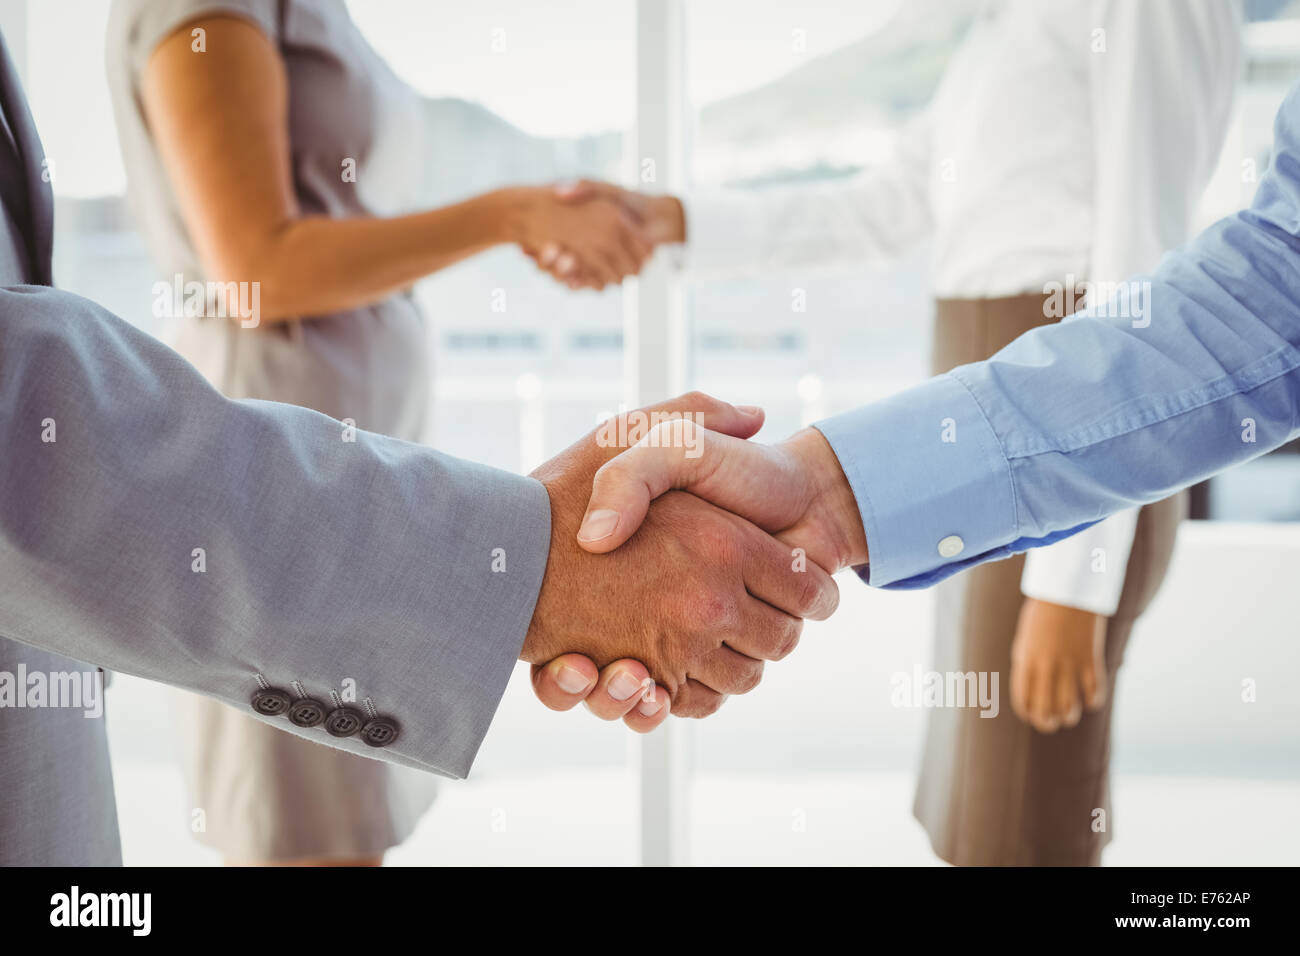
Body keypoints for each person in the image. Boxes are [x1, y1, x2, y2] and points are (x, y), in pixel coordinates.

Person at [0, 29, 836, 865]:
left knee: (343, 829)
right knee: (311, 834)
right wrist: (530, 558)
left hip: (340, 491)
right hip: (270, 485)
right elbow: (254, 264)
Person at [533, 0, 1242, 865]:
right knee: (979, 812)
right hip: (986, 415)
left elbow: (1144, 260)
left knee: (1024, 823)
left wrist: (1074, 580)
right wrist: (671, 220)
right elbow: (882, 209)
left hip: (1071, 435)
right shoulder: (995, 35)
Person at [104, 0, 651, 866]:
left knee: (344, 802)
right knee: (304, 823)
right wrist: (510, 216)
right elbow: (255, 264)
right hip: (281, 449)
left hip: (346, 438)